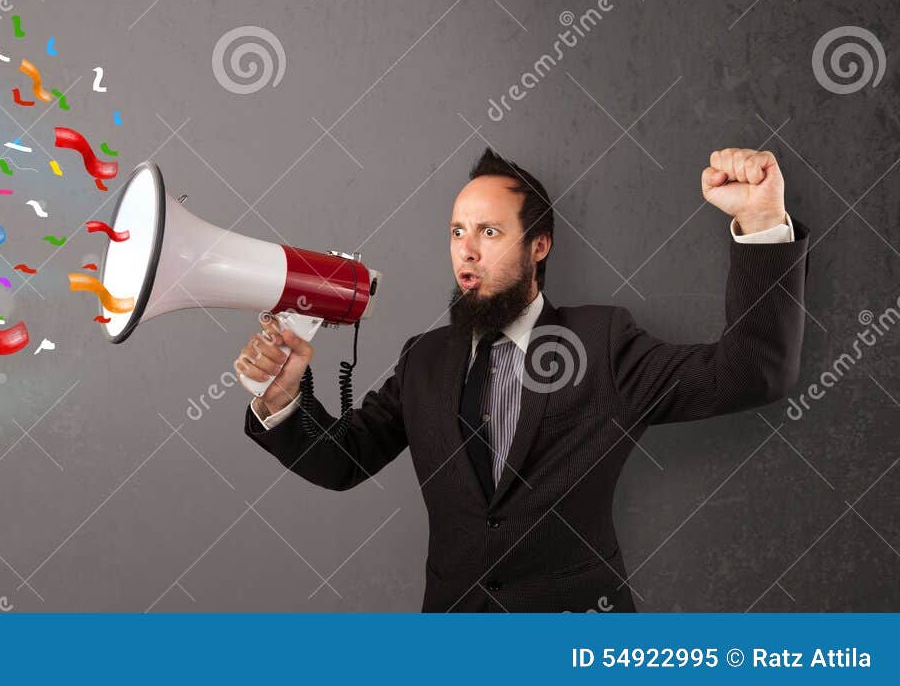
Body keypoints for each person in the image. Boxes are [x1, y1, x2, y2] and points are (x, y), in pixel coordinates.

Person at [237, 147, 808, 611]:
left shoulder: (601, 344)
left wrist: (760, 225)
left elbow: (750, 374)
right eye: (457, 231)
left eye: (488, 232)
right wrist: (285, 399)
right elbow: (344, 463)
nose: (466, 250)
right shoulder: (424, 360)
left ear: (539, 245)